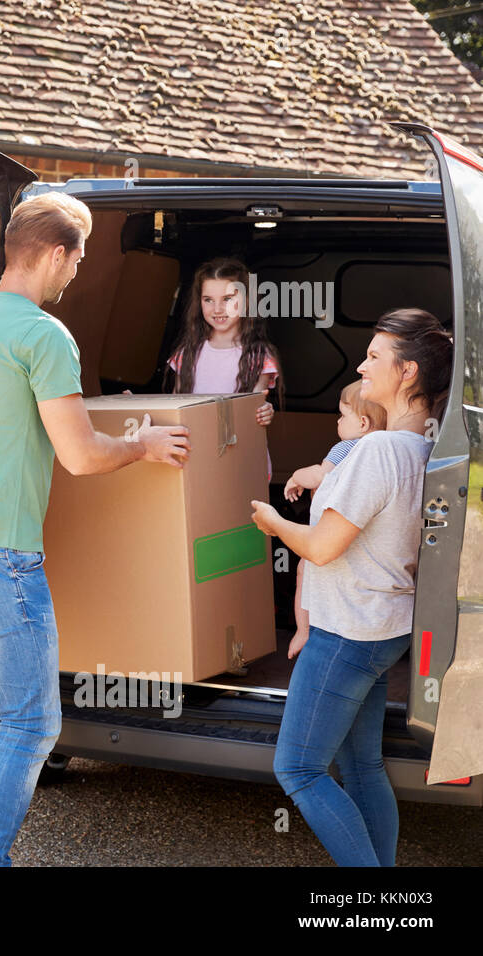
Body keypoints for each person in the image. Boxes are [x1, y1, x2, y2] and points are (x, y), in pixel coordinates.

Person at [0, 191, 191, 867]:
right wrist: (144, 443)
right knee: (34, 724)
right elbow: (81, 455)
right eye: (80, 256)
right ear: (55, 253)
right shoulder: (43, 335)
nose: (79, 271)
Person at [250, 308, 453, 866]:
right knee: (361, 765)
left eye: (374, 356)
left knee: (297, 768)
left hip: (346, 632)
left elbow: (320, 547)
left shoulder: (378, 450)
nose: (361, 365)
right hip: (384, 629)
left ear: (407, 373)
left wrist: (273, 522)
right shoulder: (422, 449)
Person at [283, 379, 387, 659]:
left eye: (342, 416)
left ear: (363, 424)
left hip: (329, 531)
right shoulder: (385, 449)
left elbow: (320, 474)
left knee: (305, 570)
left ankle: (303, 632)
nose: (338, 422)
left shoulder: (346, 448)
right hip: (360, 540)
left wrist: (295, 477)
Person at [166, 256, 280, 476]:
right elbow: (174, 406)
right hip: (196, 457)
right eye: (208, 299)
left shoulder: (259, 356)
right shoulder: (187, 353)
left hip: (241, 462)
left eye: (227, 298)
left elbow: (254, 411)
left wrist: (265, 413)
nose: (217, 309)